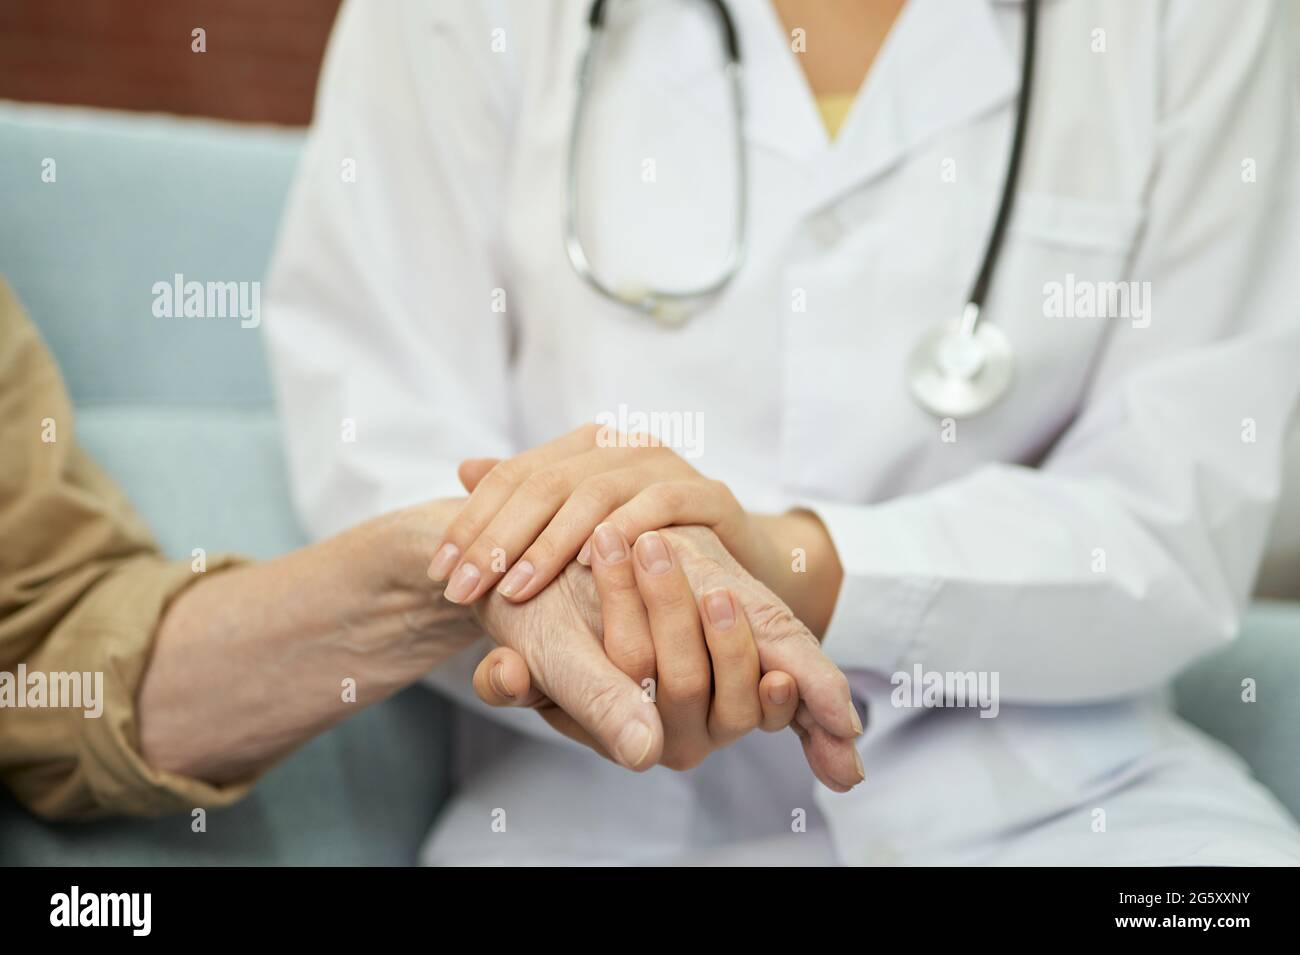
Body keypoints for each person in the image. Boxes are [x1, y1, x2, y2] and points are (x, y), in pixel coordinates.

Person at [264, 0, 1300, 864]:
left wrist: (787, 564)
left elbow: (1174, 518)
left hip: (1068, 799)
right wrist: (602, 617)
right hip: (589, 803)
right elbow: (379, 434)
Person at [0, 279, 857, 818]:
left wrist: (791, 562)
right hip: (564, 808)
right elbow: (43, 669)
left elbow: (40, 643)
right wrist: (503, 554)